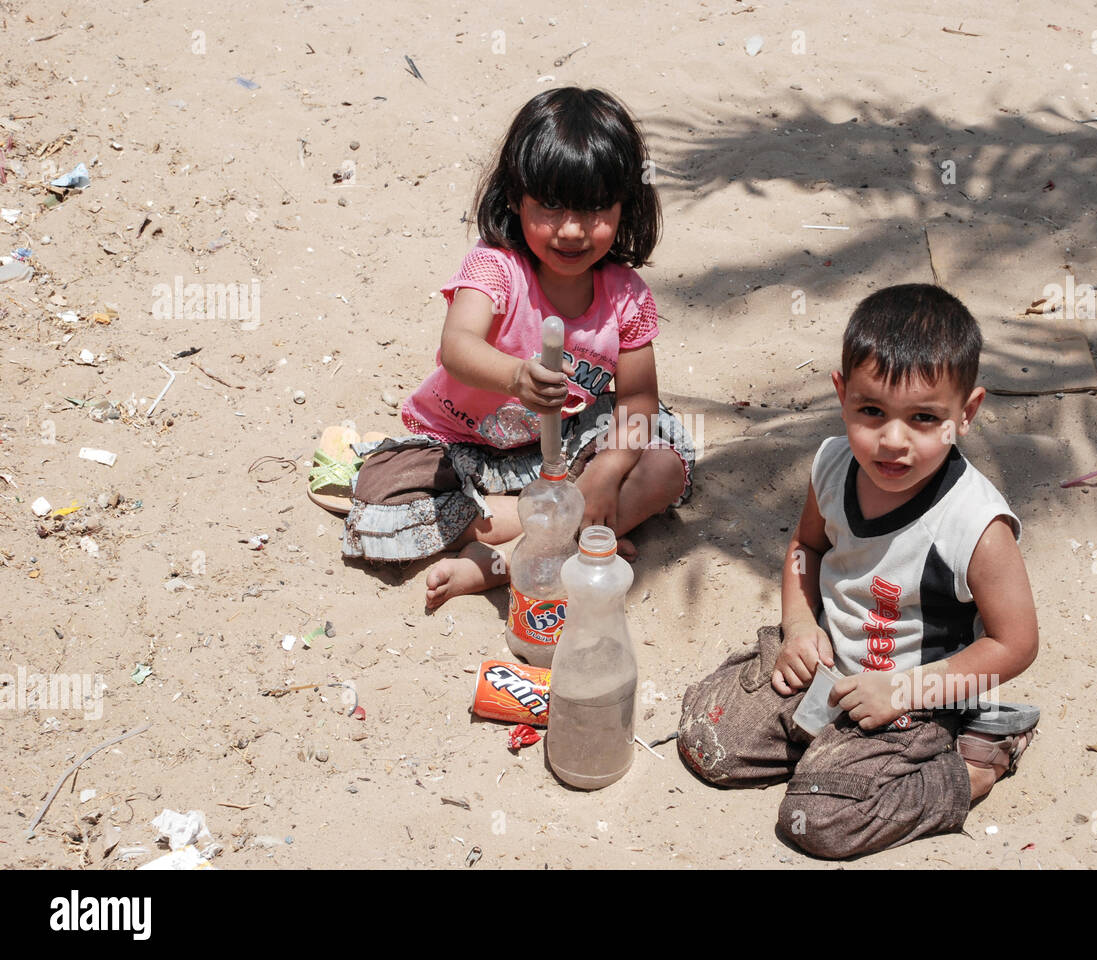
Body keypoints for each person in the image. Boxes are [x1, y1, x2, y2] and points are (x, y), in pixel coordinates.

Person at [677, 284, 1040, 859]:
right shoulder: (833, 464)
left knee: (815, 820)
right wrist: (798, 625)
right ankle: (830, 750)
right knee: (707, 739)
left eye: (924, 418)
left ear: (965, 414)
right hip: (829, 665)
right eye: (871, 411)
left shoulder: (974, 523)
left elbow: (1015, 644)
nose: (892, 441)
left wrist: (905, 690)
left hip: (912, 698)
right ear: (842, 394)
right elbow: (806, 547)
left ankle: (974, 761)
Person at [341, 88, 694, 609]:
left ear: (626, 206)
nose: (572, 229)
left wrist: (607, 471)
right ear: (514, 198)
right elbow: (457, 346)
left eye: (596, 208)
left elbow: (637, 401)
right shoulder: (495, 268)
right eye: (550, 206)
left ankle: (505, 560)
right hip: (463, 447)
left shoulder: (627, 296)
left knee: (663, 464)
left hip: (565, 448)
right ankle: (571, 536)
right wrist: (515, 378)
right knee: (383, 493)